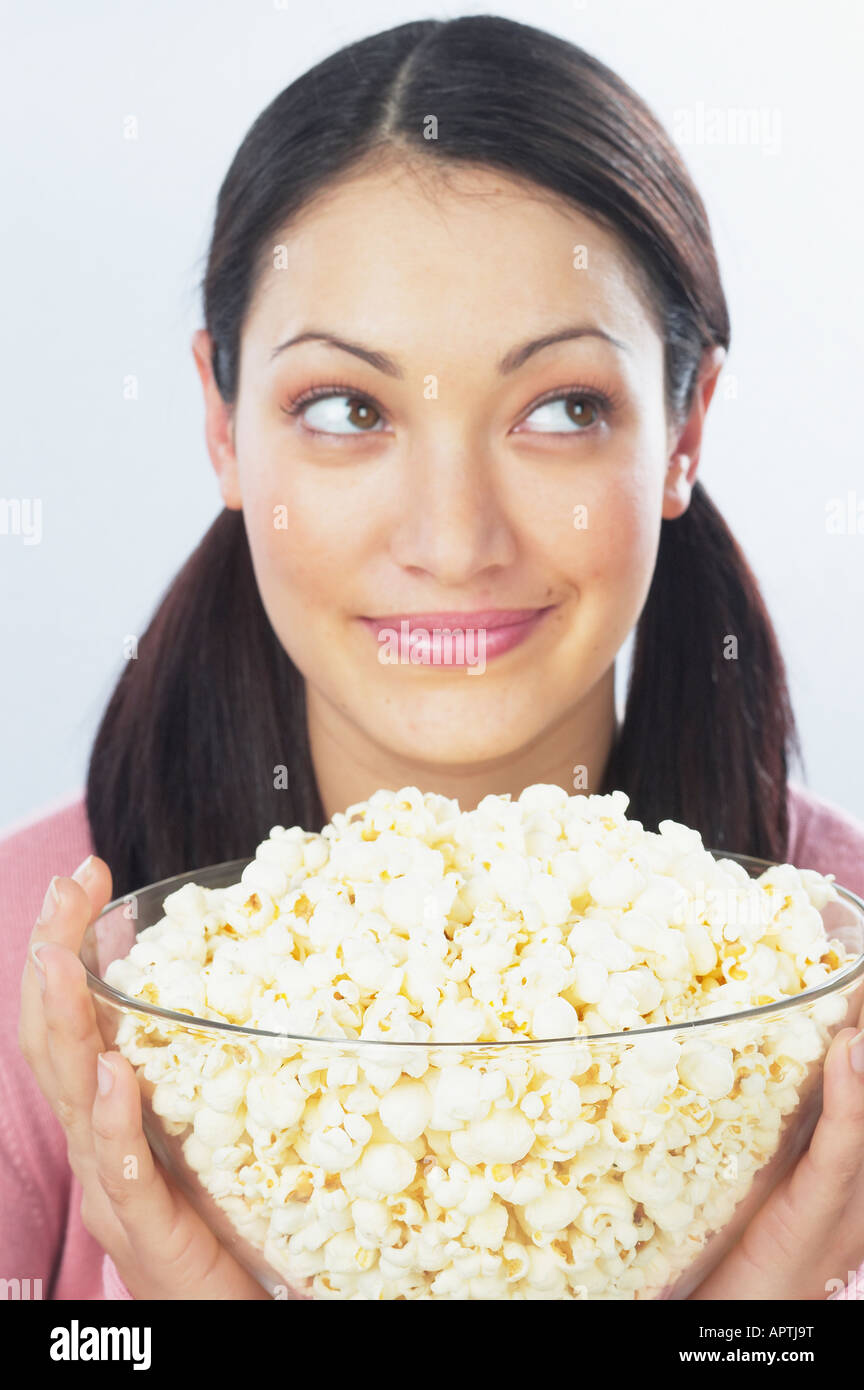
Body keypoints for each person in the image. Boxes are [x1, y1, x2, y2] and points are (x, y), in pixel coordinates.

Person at [3, 14, 863, 1301]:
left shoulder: (833, 991)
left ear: (685, 428)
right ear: (222, 421)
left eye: (561, 408)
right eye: (347, 409)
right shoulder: (55, 986)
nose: (452, 540)